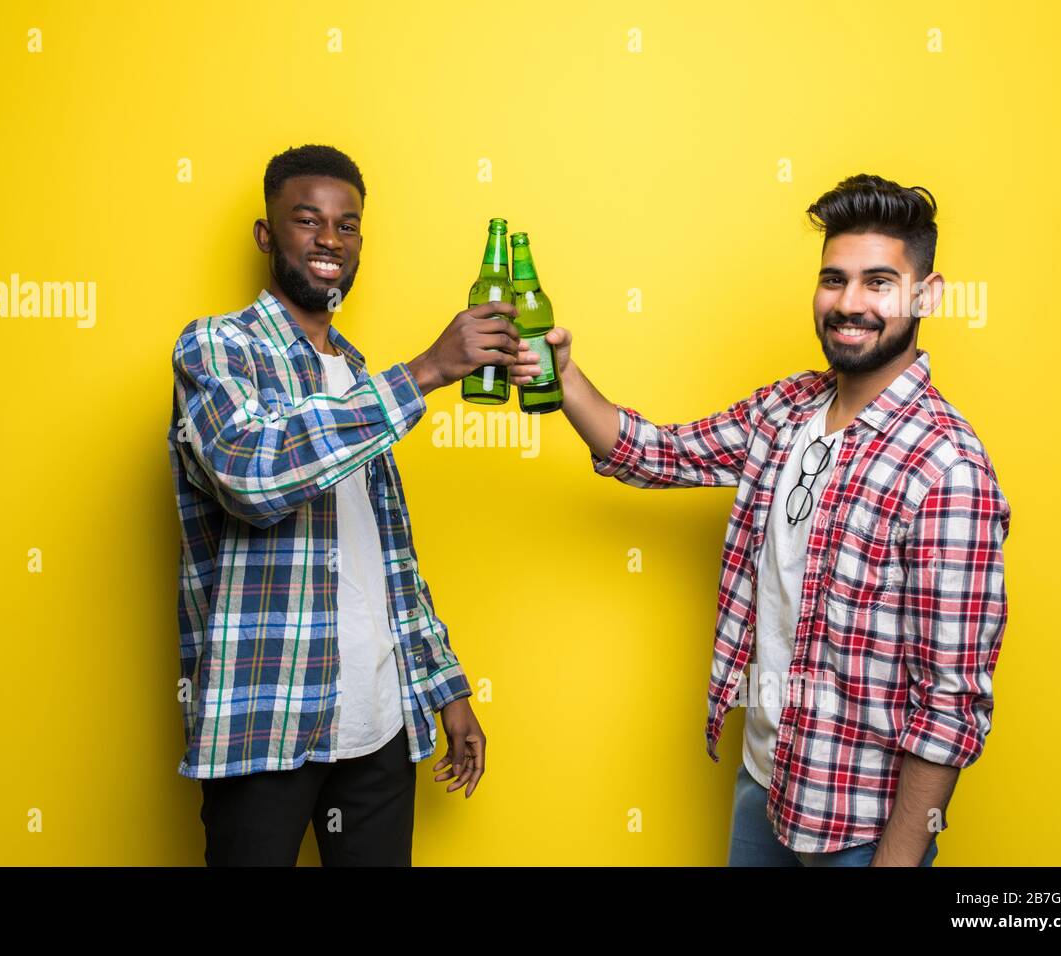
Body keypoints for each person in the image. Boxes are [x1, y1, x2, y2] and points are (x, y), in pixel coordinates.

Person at [512, 174, 1011, 866]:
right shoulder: (786, 410)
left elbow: (951, 703)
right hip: (765, 786)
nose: (849, 303)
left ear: (927, 295)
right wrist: (561, 376)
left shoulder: (946, 468)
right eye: (833, 280)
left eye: (877, 283)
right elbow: (657, 454)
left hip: (860, 827)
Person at [167, 144, 520, 865]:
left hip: (380, 726)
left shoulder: (356, 374)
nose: (330, 239)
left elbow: (388, 559)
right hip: (264, 722)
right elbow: (251, 479)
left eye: (348, 225)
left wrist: (447, 688)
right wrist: (425, 372)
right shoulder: (217, 347)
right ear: (268, 236)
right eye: (308, 219)